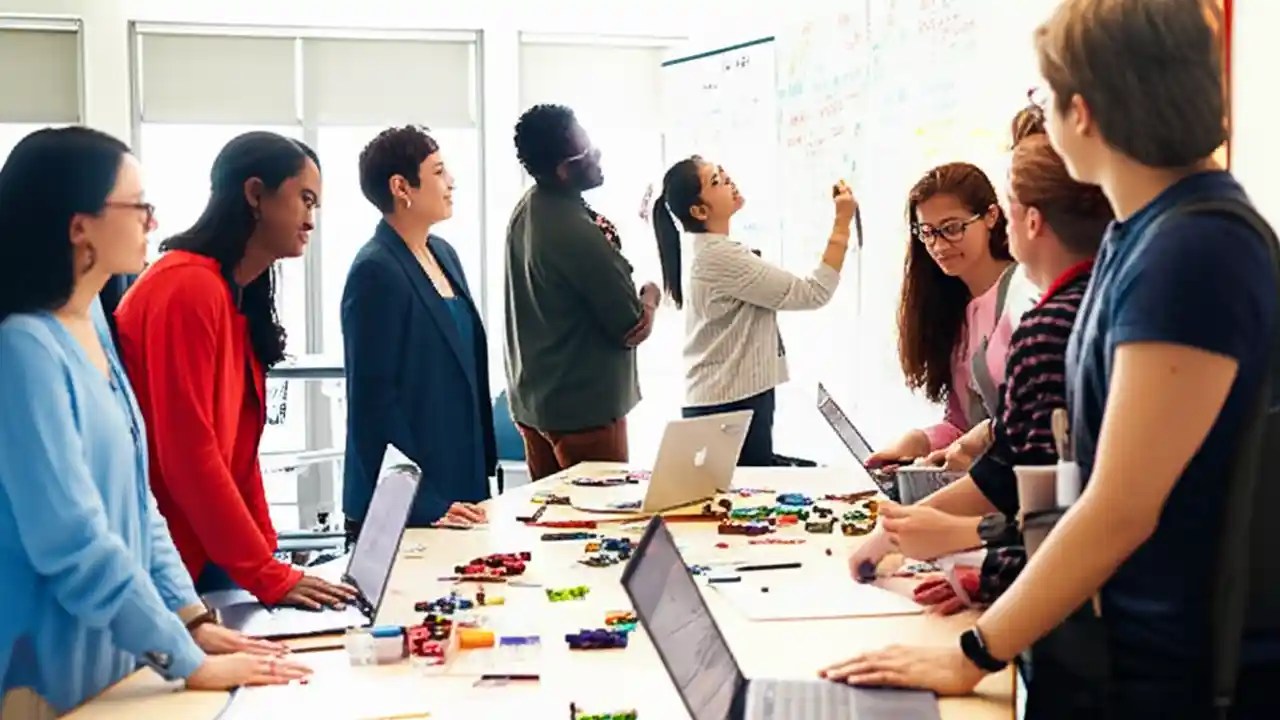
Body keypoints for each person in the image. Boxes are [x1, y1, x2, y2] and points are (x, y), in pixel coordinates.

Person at [822, 2, 1280, 717]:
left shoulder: (1194, 250)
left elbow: (1118, 509)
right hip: (1111, 649)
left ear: (1086, 110)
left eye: (1044, 95)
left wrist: (971, 653)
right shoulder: (1144, 237)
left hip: (1167, 674)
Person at [0, 127, 309, 717]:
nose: (151, 220)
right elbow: (73, 540)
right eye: (136, 205)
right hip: (44, 677)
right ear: (78, 226)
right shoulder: (23, 349)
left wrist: (190, 617)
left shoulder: (89, 319)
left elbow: (141, 505)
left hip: (118, 660)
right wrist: (186, 657)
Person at [847, 131, 1114, 613]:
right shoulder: (1098, 302)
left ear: (1025, 220)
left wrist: (967, 543)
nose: (939, 244)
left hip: (1084, 610)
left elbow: (1040, 500)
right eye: (927, 233)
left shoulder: (1047, 323)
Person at [115, 132, 356, 610]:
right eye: (304, 199)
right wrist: (266, 573)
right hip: (170, 561)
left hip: (205, 551)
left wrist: (266, 555)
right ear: (255, 193)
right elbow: (188, 456)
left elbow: (237, 457)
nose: (312, 219)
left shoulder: (230, 293)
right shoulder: (187, 287)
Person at [651, 156, 856, 465]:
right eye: (716, 182)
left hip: (728, 400)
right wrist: (842, 222)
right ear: (699, 210)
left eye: (722, 173)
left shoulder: (708, 249)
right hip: (729, 405)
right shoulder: (718, 255)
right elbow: (813, 293)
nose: (729, 181)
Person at [342, 126, 493, 532]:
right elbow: (373, 403)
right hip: (409, 502)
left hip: (462, 484)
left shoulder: (444, 253)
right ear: (400, 186)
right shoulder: (375, 270)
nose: (451, 183)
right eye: (439, 172)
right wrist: (423, 502)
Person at [504, 104, 661, 480]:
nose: (598, 156)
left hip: (535, 403)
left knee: (553, 530)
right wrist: (652, 295)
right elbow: (630, 325)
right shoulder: (575, 231)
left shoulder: (530, 206)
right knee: (598, 530)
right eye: (587, 153)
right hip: (583, 415)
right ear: (563, 170)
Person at [865, 162, 1038, 468]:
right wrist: (915, 442)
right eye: (928, 232)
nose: (939, 245)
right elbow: (962, 422)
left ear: (991, 217)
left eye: (953, 228)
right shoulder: (957, 307)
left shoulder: (1023, 292)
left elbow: (1027, 417)